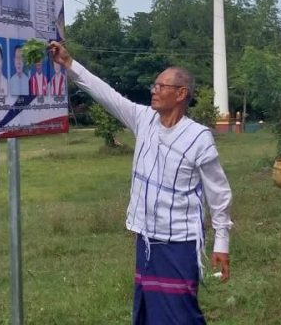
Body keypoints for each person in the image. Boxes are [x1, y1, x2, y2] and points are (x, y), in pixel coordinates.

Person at [48, 41, 232, 325]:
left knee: (181, 315)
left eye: (161, 86)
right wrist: (69, 63)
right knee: (149, 314)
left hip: (179, 242)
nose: (153, 91)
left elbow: (218, 193)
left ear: (181, 94)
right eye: (153, 85)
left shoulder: (199, 137)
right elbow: (106, 94)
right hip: (146, 241)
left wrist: (222, 242)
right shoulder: (143, 119)